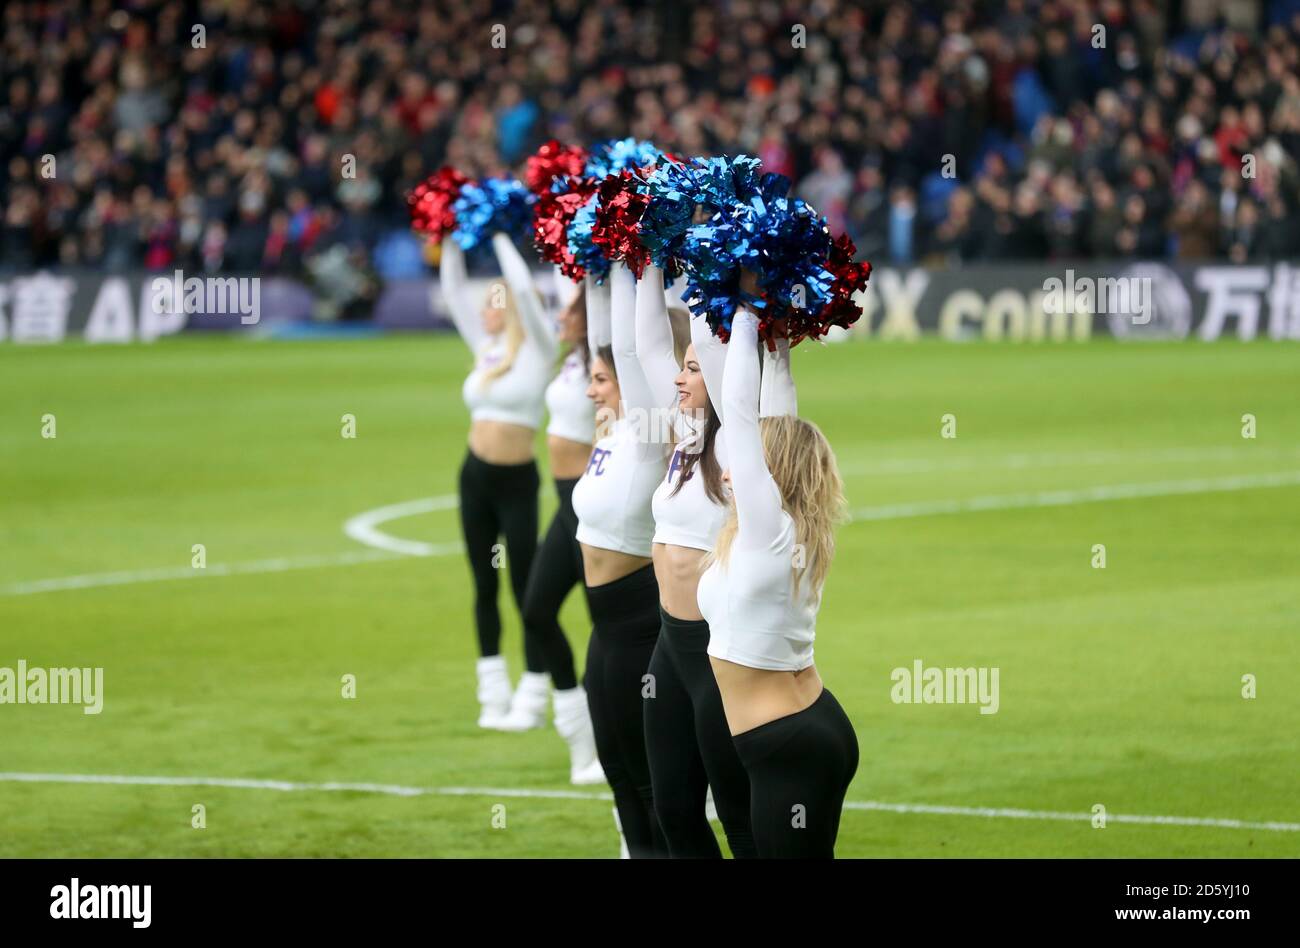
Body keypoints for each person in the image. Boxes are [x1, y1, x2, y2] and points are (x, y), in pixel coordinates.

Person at [637, 263, 792, 859]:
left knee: (738, 815)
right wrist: (644, 256)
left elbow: (707, 342)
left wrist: (712, 252)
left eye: (694, 370)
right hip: (667, 646)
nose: (679, 378)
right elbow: (643, 344)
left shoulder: (736, 445)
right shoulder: (682, 431)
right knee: (672, 809)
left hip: (714, 651)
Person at [698, 302, 859, 859]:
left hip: (788, 744)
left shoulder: (770, 531)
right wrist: (778, 340)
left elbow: (741, 419)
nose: (726, 469)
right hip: (805, 731)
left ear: (771, 472)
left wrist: (744, 311)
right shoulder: (780, 526)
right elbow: (772, 422)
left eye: (746, 464)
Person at [438, 234, 562, 729]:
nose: (484, 312)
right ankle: (491, 687)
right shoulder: (484, 348)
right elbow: (451, 290)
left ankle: (534, 690)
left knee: (525, 588)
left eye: (493, 304)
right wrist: (451, 238)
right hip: (474, 476)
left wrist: (498, 235)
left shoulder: (540, 348)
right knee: (483, 583)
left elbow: (525, 293)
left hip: (516, 480)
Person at [571, 261, 671, 857]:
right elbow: (601, 338)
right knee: (617, 771)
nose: (591, 388)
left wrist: (641, 258)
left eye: (602, 379)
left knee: (652, 781)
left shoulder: (651, 433)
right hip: (603, 630)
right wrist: (596, 258)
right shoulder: (608, 432)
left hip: (639, 625)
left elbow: (631, 349)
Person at [494, 269, 604, 785]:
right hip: (565, 502)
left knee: (611, 633)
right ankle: (581, 736)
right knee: (537, 610)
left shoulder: (605, 359)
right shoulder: (568, 360)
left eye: (571, 310)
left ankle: (617, 748)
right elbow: (559, 283)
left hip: (593, 504)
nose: (561, 314)